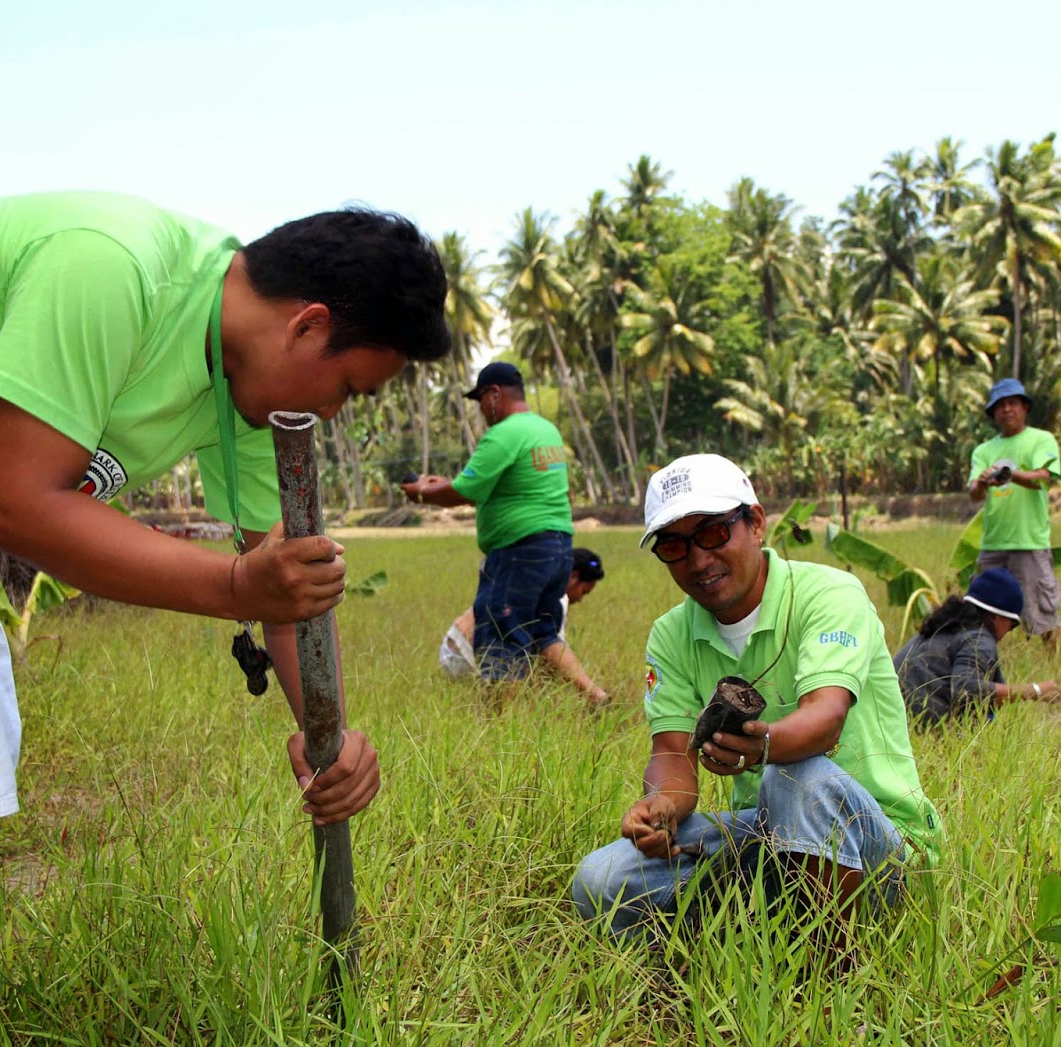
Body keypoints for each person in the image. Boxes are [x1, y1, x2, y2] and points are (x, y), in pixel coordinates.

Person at [0, 191, 449, 1047]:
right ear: (308, 327)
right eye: (351, 388)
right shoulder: (110, 268)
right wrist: (236, 582)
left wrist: (329, 733)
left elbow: (284, 586)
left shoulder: (252, 400)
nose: (341, 413)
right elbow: (16, 503)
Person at [571, 454, 942, 958]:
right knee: (602, 879)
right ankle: (711, 964)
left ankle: (833, 980)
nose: (698, 560)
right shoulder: (671, 635)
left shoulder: (827, 595)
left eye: (713, 534)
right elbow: (674, 755)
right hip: (771, 840)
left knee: (796, 778)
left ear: (757, 522)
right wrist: (661, 807)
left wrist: (762, 747)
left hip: (883, 849)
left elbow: (825, 719)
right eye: (675, 546)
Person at [402, 361, 576, 688]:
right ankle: (595, 697)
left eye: (480, 400)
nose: (480, 409)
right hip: (558, 548)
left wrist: (423, 492)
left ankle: (497, 723)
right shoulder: (544, 430)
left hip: (520, 551)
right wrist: (444, 485)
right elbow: (489, 488)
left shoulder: (504, 434)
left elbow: (464, 491)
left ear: (494, 394)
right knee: (543, 632)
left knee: (501, 631)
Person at [893, 568, 1061, 726]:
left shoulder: (942, 628)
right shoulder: (979, 639)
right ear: (998, 617)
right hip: (915, 728)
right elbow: (967, 691)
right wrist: (1035, 691)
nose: (1008, 633)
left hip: (886, 719)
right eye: (1012, 625)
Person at [439, 547, 608, 703]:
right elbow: (551, 652)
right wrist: (591, 693)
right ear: (573, 577)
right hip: (470, 657)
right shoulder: (556, 597)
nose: (580, 599)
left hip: (453, 645)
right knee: (514, 711)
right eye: (584, 591)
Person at [968, 378, 1061, 645]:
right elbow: (974, 493)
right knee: (981, 612)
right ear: (994, 413)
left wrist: (1009, 475)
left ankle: (1051, 666)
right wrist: (984, 482)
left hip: (1029, 541)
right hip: (993, 544)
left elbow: (1042, 478)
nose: (1007, 410)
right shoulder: (984, 451)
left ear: (1024, 408)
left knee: (1041, 612)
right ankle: (982, 661)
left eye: (1012, 403)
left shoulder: (1041, 440)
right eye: (1000, 406)